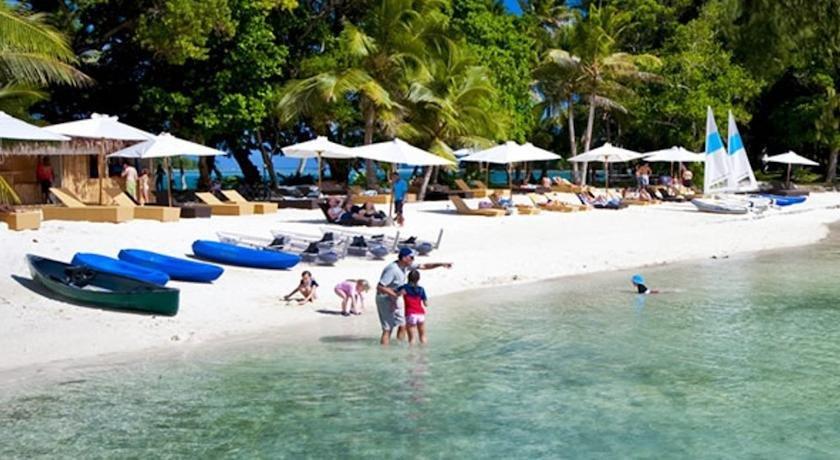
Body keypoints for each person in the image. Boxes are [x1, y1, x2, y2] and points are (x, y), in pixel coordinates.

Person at [376, 247, 452, 345]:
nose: (413, 260)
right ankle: (384, 353)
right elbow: (380, 287)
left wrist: (441, 264)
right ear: (404, 258)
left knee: (403, 324)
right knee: (388, 329)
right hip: (384, 299)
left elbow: (424, 266)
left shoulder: (406, 266)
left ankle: (399, 348)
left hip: (396, 297)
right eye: (411, 257)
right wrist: (394, 295)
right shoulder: (392, 269)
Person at [399, 270, 428, 345]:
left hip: (410, 313)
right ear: (418, 279)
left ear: (408, 278)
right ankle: (423, 355)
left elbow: (397, 293)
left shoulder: (404, 287)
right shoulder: (421, 289)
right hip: (421, 314)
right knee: (423, 337)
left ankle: (412, 355)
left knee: (412, 339)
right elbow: (426, 304)